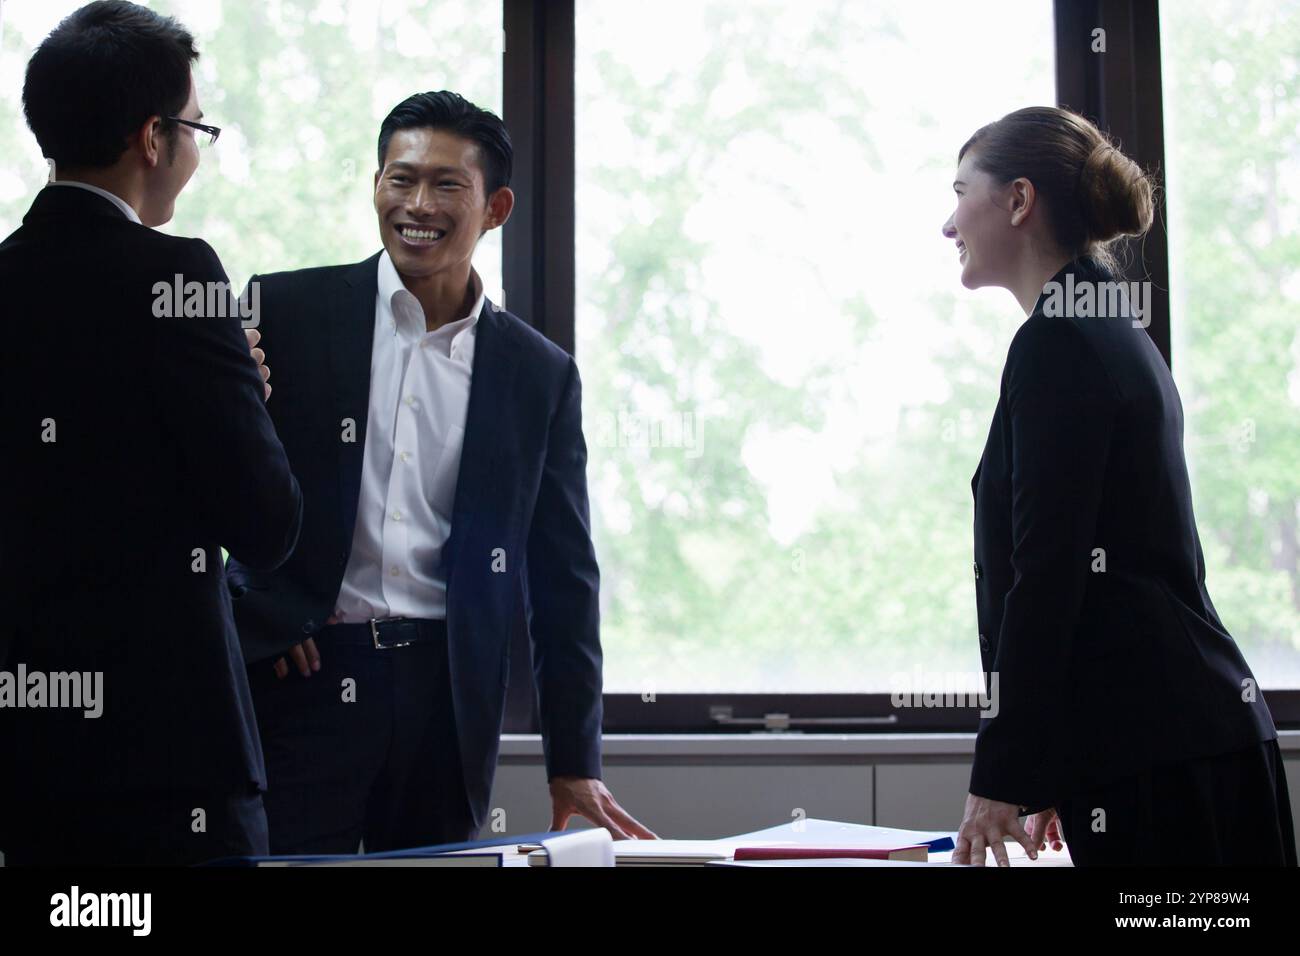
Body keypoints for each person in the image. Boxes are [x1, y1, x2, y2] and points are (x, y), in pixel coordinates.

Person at [226, 91, 654, 852]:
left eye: (447, 184)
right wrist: (260, 602)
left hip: (445, 697)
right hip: (302, 677)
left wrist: (573, 759)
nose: (417, 203)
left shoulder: (538, 374)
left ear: (496, 208)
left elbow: (563, 576)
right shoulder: (284, 310)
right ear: (377, 185)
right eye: (401, 178)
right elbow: (215, 483)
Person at [941, 106, 1296, 867]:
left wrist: (1003, 774)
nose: (948, 224)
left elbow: (1049, 572)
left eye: (960, 190)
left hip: (1164, 758)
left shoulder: (1059, 341)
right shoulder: (1103, 320)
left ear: (1018, 200)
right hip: (1178, 744)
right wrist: (1061, 761)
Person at [0, 1, 302, 865]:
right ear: (153, 137)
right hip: (172, 770)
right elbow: (267, 523)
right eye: (197, 127)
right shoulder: (182, 278)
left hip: (26, 769)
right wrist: (243, 388)